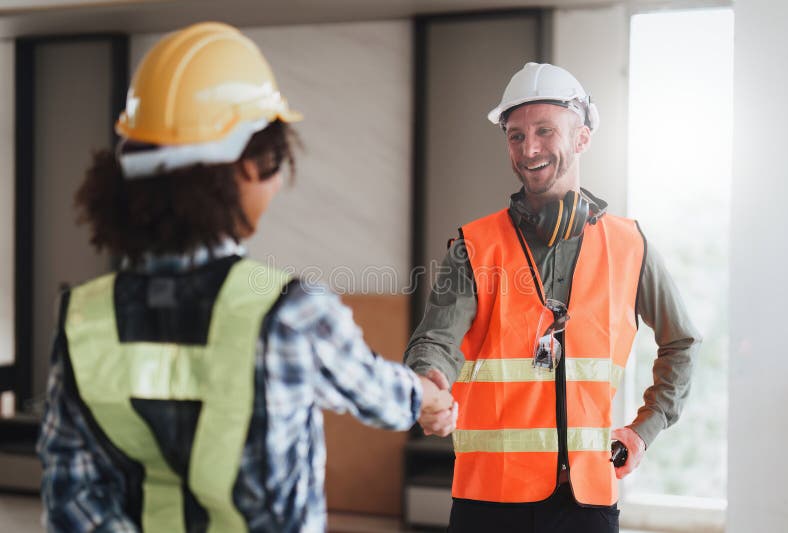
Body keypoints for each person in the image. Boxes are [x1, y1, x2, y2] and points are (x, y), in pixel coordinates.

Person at [36, 22, 451, 533]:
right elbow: (376, 393)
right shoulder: (290, 312)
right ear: (245, 167)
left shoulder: (82, 318)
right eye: (273, 160)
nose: (276, 183)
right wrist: (429, 398)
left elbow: (71, 496)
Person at [404, 62, 701, 532]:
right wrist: (428, 386)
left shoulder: (630, 246)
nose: (529, 149)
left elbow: (681, 342)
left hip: (588, 500)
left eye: (545, 131)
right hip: (488, 500)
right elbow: (435, 341)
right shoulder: (474, 247)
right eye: (516, 136)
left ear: (582, 138)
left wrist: (645, 429)